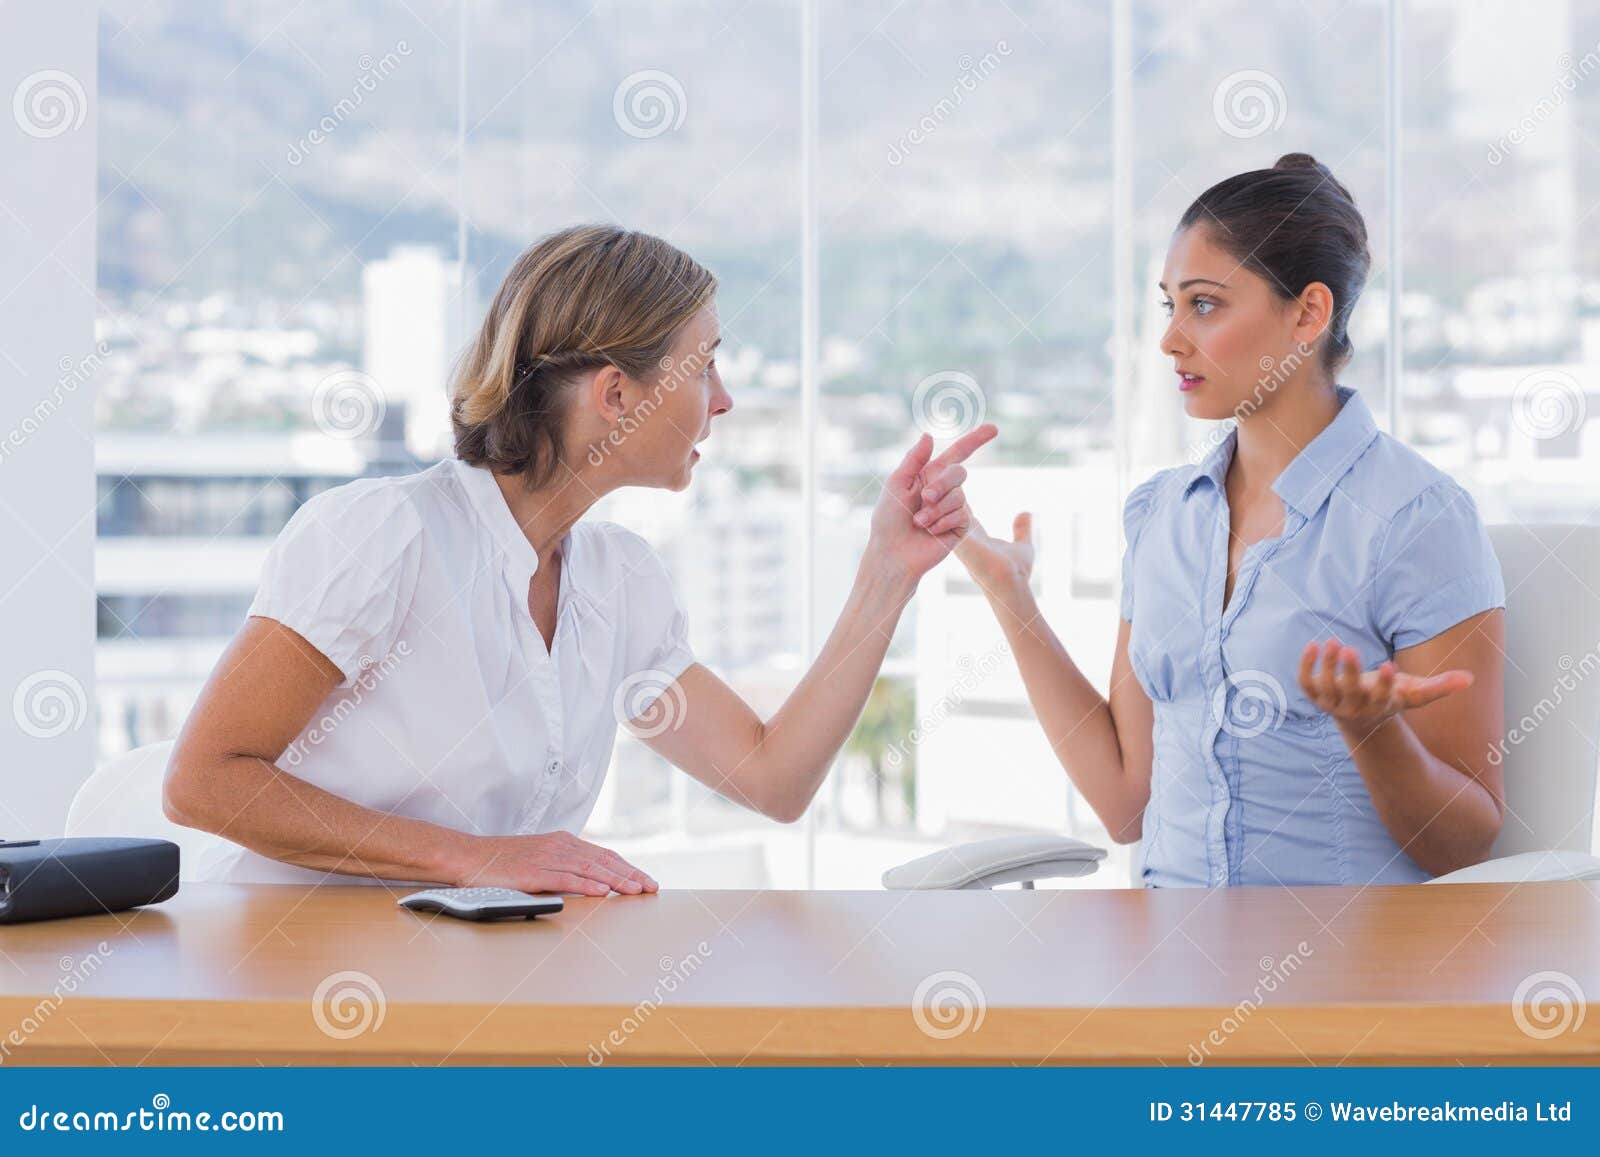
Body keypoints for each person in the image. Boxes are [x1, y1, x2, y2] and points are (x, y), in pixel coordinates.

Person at [164, 224, 994, 895]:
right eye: (705, 365)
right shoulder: (385, 535)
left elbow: (773, 779)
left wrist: (886, 574)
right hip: (291, 976)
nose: (725, 400)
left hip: (468, 984)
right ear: (616, 394)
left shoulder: (619, 581)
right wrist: (474, 858)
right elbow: (203, 780)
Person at [952, 153, 1506, 887]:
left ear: (1308, 314)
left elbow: (1464, 846)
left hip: (1339, 954)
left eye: (1205, 305)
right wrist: (1010, 596)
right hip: (1168, 943)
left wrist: (1371, 732)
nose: (1171, 339)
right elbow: (1126, 803)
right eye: (1170, 306)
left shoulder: (1416, 519)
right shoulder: (1160, 517)